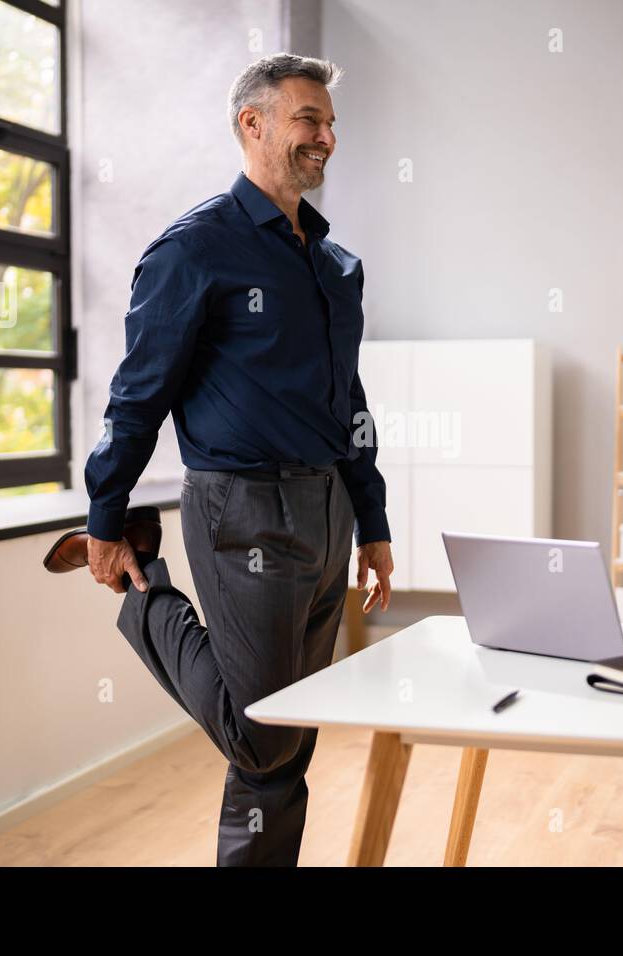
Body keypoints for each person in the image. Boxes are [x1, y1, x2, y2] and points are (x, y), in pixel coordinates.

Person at [43, 53, 393, 866]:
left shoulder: (336, 266)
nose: (328, 137)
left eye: (332, 123)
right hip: (241, 508)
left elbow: (353, 406)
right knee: (262, 733)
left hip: (328, 508)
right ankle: (146, 589)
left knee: (290, 731)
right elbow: (138, 396)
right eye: (310, 119)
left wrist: (372, 519)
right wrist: (104, 520)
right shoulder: (194, 250)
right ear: (254, 124)